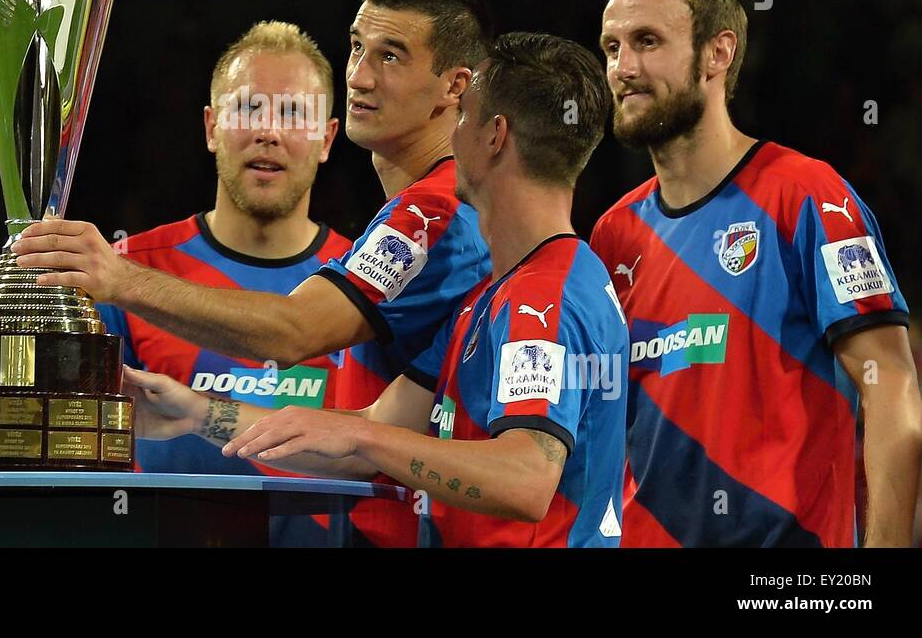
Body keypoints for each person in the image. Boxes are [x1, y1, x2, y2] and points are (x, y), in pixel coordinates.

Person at [12, 0, 494, 546]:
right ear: (211, 126)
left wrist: (121, 279)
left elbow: (293, 333)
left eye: (389, 56)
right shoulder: (399, 234)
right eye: (358, 49)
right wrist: (200, 413)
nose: (362, 76)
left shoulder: (434, 215)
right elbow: (367, 437)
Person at [122, 33, 628, 547]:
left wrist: (366, 436)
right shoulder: (494, 297)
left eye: (461, 116)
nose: (448, 137)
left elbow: (525, 478)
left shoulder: (543, 297)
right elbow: (358, 441)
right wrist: (199, 413)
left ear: (494, 136)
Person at [590, 0, 921, 547]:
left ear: (718, 54)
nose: (623, 68)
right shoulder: (614, 235)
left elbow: (890, 384)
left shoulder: (809, 197)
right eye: (612, 47)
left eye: (647, 42)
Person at [96, 21, 353, 546]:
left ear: (326, 139)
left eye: (294, 113)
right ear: (211, 127)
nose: (269, 131)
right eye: (249, 109)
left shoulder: (367, 284)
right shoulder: (122, 275)